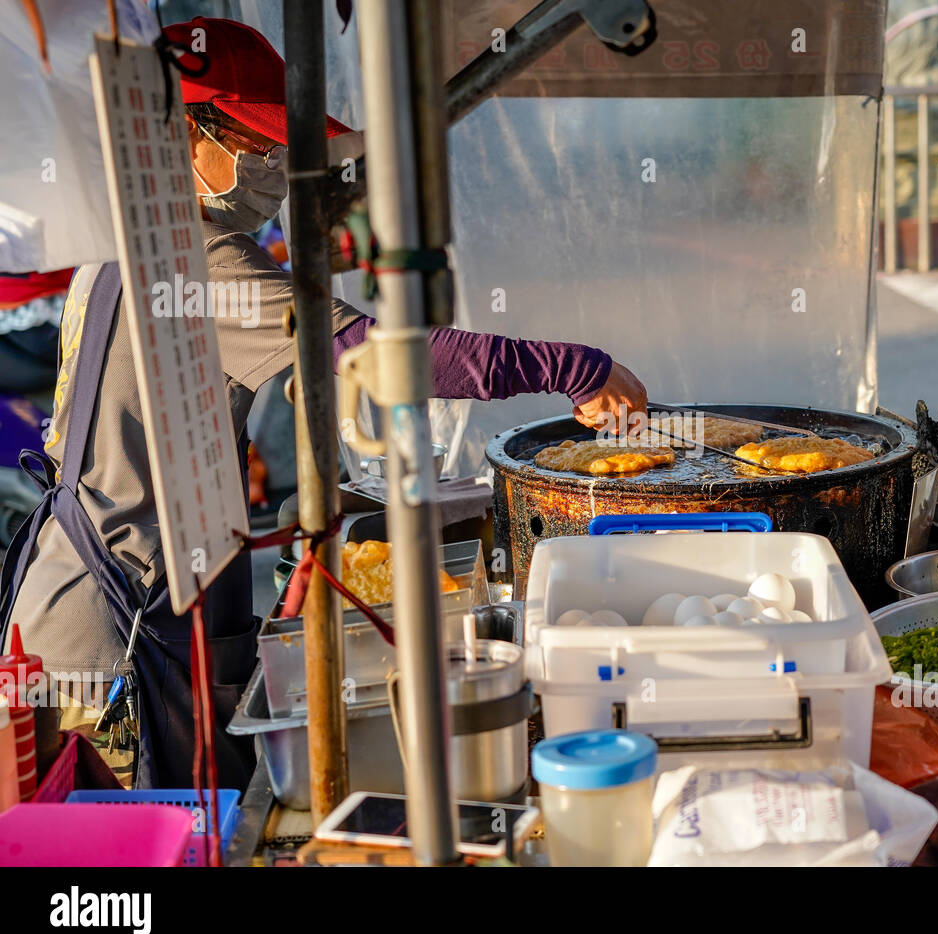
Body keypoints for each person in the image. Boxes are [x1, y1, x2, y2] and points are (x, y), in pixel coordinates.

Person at [0, 17, 648, 788]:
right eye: (257, 145)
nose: (274, 166)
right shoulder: (202, 260)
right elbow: (389, 356)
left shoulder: (121, 234)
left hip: (74, 608)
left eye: (282, 149)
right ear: (181, 134)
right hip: (112, 643)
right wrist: (576, 367)